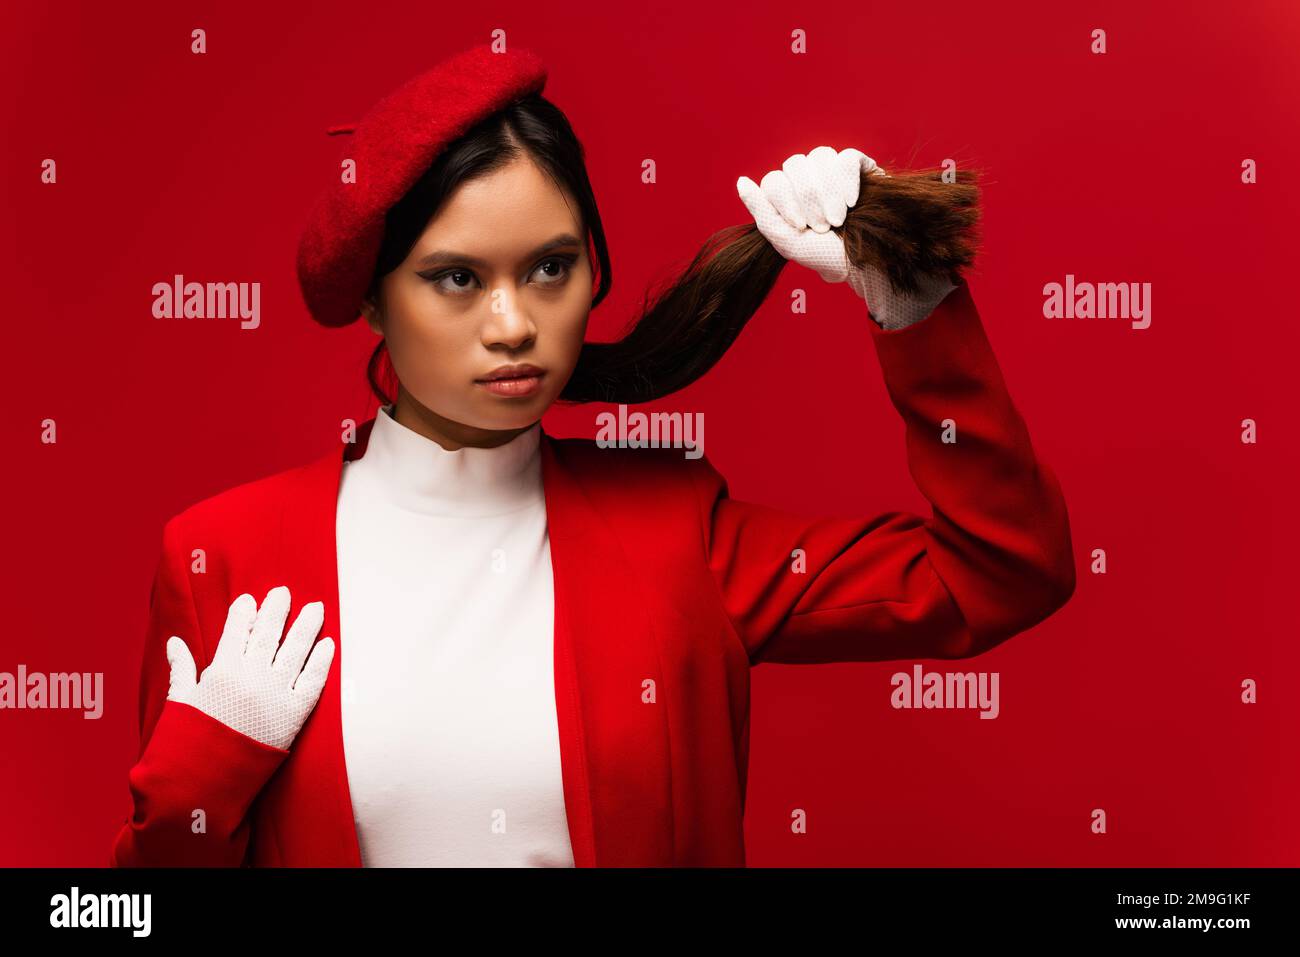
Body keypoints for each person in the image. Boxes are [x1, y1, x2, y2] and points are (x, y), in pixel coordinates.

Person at [109, 44, 1074, 867]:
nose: (513, 323)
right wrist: (202, 778)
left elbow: (1001, 571)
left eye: (550, 268)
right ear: (373, 297)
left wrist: (910, 301)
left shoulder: (673, 537)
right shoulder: (227, 560)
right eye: (455, 278)